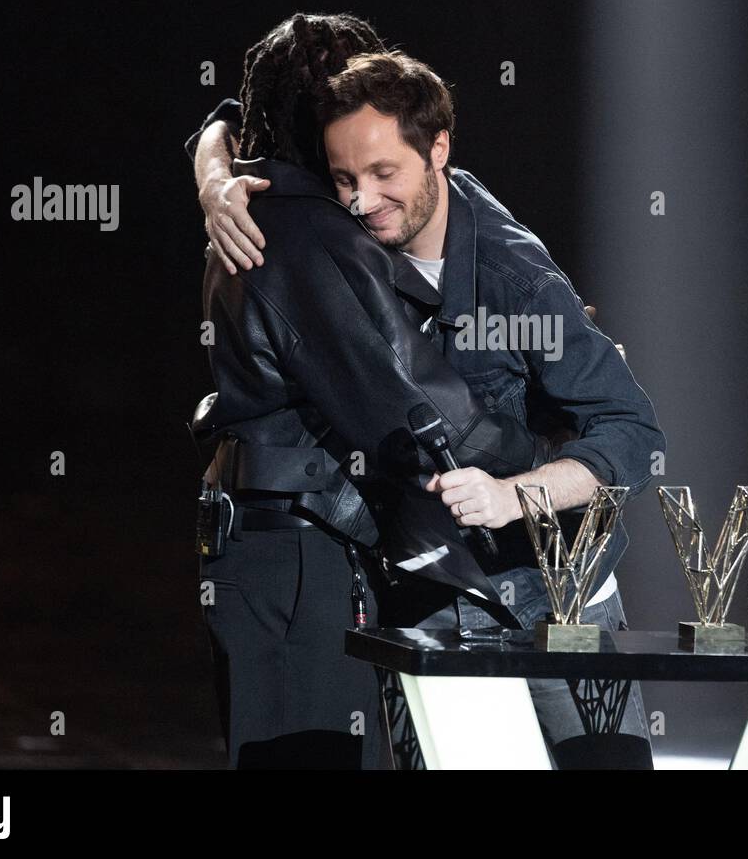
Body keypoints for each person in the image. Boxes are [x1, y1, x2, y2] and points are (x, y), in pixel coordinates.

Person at [190, 41, 668, 769]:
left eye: (384, 174)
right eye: (345, 176)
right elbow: (232, 119)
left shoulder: (518, 280)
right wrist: (215, 178)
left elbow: (632, 434)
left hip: (551, 588)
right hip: (425, 589)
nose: (361, 198)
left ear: (437, 149)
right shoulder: (342, 223)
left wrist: (515, 493)